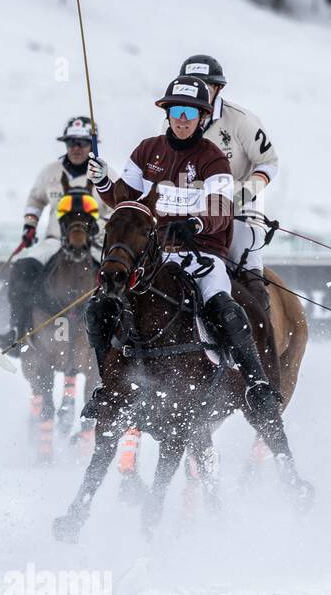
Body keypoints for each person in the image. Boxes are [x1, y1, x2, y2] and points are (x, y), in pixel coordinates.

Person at [82, 74, 280, 420]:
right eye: (177, 110)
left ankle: (256, 385)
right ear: (168, 113)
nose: (183, 119)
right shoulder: (147, 150)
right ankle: (106, 386)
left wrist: (195, 224)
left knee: (224, 305)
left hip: (202, 253)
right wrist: (102, 181)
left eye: (191, 112)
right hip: (156, 256)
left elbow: (221, 208)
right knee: (99, 308)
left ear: (202, 117)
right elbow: (124, 200)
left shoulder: (213, 158)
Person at [0, 116, 115, 353]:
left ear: (92, 144)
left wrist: (99, 228)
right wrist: (30, 226)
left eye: (82, 142)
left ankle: (118, 338)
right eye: (71, 143)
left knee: (117, 281)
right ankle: (17, 331)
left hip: (95, 244)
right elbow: (35, 199)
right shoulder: (50, 172)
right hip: (54, 242)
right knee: (22, 267)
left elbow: (118, 208)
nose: (76, 148)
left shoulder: (106, 173)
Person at [178, 53, 279, 315]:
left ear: (218, 88)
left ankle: (260, 341)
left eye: (204, 85)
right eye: (191, 83)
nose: (197, 90)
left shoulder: (241, 120)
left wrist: (241, 196)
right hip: (192, 213)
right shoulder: (177, 120)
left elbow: (268, 162)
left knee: (250, 274)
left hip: (239, 213)